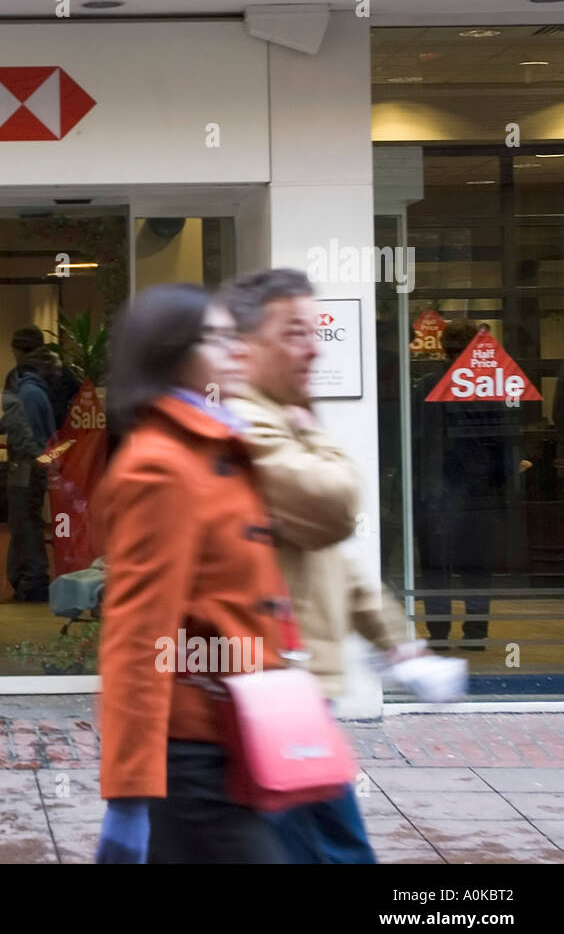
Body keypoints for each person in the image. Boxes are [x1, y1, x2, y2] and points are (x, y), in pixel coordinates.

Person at [222, 268, 415, 864]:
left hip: (295, 687)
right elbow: (332, 508)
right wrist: (319, 440)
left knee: (331, 849)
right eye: (294, 332)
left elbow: (327, 551)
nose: (313, 346)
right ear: (246, 346)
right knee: (329, 853)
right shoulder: (247, 424)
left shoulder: (282, 419)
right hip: (270, 688)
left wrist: (396, 641)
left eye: (314, 330)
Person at [96, 284, 293, 864]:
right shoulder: (162, 466)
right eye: (218, 338)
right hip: (191, 756)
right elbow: (139, 636)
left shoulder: (220, 443)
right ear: (174, 353)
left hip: (240, 737)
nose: (236, 350)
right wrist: (130, 794)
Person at [413, 319, 519, 649]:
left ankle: (439, 633)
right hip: (480, 490)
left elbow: (417, 439)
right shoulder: (488, 386)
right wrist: (505, 486)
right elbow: (503, 441)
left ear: (443, 348)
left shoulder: (430, 384)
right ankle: (475, 632)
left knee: (435, 565)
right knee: (476, 565)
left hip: (436, 488)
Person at [0, 331, 58, 602]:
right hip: (33, 465)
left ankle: (33, 581)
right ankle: (26, 578)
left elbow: (28, 435)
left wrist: (37, 461)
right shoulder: (39, 387)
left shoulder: (28, 391)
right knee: (26, 524)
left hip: (25, 467)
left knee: (26, 525)